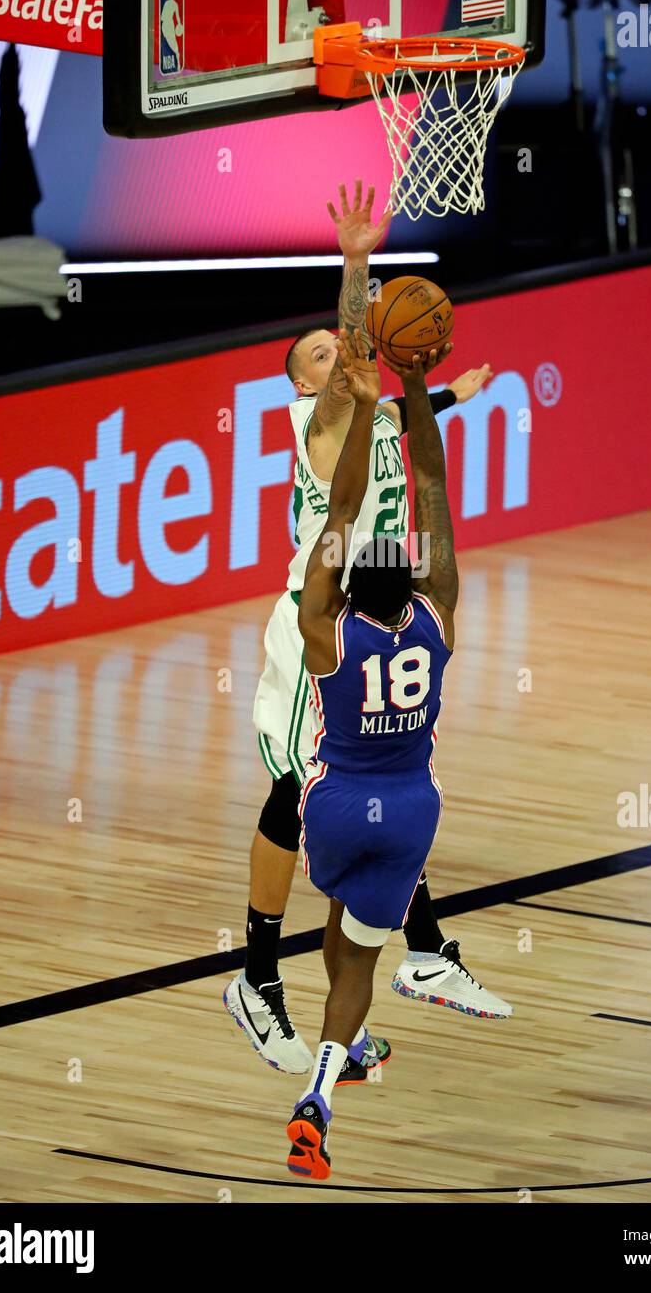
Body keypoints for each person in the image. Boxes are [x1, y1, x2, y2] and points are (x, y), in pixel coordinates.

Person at [223, 184, 510, 1079]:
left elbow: (405, 429)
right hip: (317, 630)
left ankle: (423, 952)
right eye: (319, 352)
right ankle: (257, 979)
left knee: (386, 776)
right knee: (293, 791)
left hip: (374, 615)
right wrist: (357, 265)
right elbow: (358, 353)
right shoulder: (322, 418)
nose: (337, 351)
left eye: (335, 343)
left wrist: (443, 389)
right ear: (305, 385)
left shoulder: (377, 418)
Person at [286, 327, 466, 1180]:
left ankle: (338, 1062)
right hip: (408, 812)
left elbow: (344, 509)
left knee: (339, 922)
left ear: (348, 585)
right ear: (419, 579)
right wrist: (415, 386)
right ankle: (319, 1092)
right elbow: (430, 486)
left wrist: (365, 409)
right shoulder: (439, 620)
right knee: (358, 953)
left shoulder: (326, 630)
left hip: (333, 805)